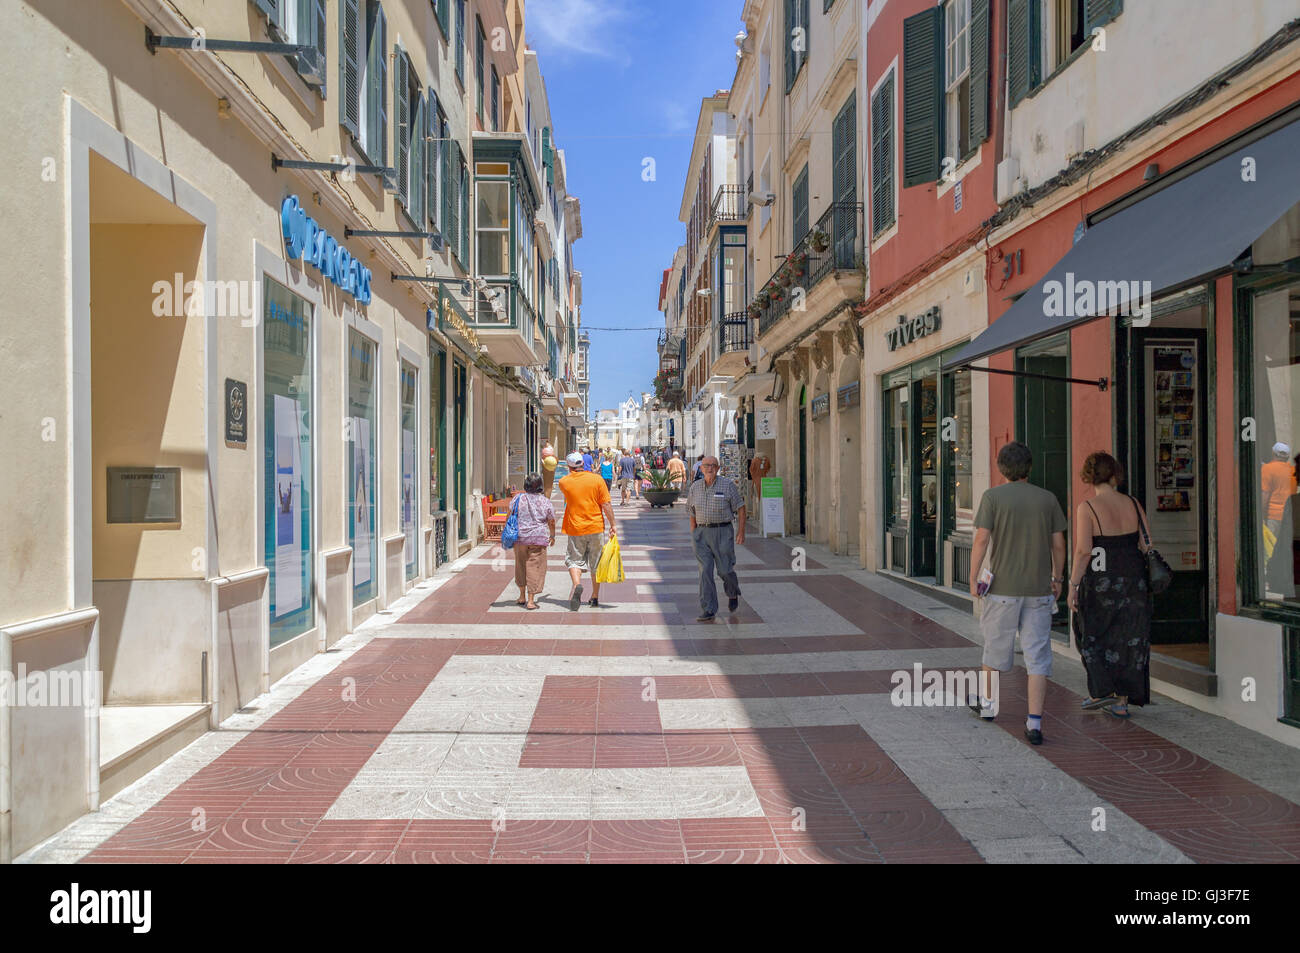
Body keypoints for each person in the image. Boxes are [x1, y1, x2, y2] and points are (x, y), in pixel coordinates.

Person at [968, 441, 1067, 745]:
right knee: (1038, 656)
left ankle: (988, 706)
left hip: (1002, 591)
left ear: (1001, 468)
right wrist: (1057, 577)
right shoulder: (1047, 499)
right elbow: (1059, 545)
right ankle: (1034, 723)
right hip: (1038, 590)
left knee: (994, 650)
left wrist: (973, 577)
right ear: (1030, 468)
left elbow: (982, 541)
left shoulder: (993, 497)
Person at [1067, 452, 1152, 718]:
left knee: (1092, 635)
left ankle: (1100, 691)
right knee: (1128, 640)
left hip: (1101, 583)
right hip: (1134, 581)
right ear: (1115, 473)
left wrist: (1072, 585)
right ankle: (1122, 701)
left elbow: (1083, 551)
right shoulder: (1133, 503)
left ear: (1089, 476)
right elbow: (1147, 543)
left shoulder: (1088, 508)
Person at [686, 456, 746, 622]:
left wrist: (741, 532)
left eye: (713, 465)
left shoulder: (727, 485)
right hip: (701, 533)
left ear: (718, 468)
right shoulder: (695, 487)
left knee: (725, 570)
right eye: (706, 465)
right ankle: (708, 608)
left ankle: (732, 592)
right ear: (701, 468)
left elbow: (741, 508)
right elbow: (691, 511)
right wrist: (694, 533)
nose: (710, 468)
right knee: (705, 571)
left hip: (722, 531)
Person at [558, 451, 616, 610]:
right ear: (583, 463)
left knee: (573, 559)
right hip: (596, 526)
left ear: (569, 467)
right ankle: (595, 597)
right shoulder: (597, 480)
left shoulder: (564, 482)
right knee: (595, 562)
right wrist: (613, 525)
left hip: (575, 528)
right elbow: (606, 505)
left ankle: (577, 584)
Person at [512, 473, 556, 610]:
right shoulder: (545, 501)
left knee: (520, 565)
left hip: (520, 538)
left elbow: (510, 516)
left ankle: (521, 596)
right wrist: (552, 535)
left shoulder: (517, 499)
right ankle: (531, 600)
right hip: (538, 538)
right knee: (534, 567)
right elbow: (551, 520)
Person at [1261, 442, 1296, 597]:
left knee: (1268, 548)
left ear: (1274, 453)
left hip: (1273, 515)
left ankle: (1267, 579)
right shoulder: (1292, 470)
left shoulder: (1267, 469)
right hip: (1288, 516)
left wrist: (1261, 515)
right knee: (1284, 549)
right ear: (1287, 456)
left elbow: (1265, 494)